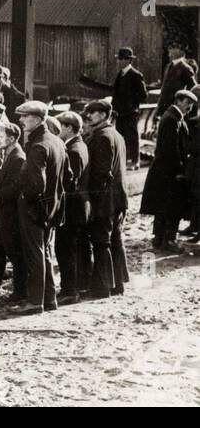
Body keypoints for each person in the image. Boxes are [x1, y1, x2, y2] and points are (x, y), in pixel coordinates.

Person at [15, 100, 67, 315]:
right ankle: (49, 297)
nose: (20, 120)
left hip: (35, 208)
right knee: (44, 252)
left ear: (36, 119)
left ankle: (36, 301)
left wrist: (26, 199)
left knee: (35, 253)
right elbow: (67, 175)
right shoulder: (56, 141)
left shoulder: (38, 145)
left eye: (24, 116)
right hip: (51, 206)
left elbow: (36, 184)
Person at [82, 100, 130, 297]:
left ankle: (102, 287)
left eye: (92, 113)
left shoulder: (101, 136)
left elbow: (102, 172)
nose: (88, 117)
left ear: (103, 115)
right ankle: (117, 284)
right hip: (118, 197)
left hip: (105, 199)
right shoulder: (116, 134)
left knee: (101, 241)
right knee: (115, 239)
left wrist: (93, 200)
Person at [141, 89, 195, 249]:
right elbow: (171, 149)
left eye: (191, 105)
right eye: (187, 103)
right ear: (178, 101)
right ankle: (169, 239)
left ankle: (159, 238)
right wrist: (180, 171)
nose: (189, 108)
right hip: (170, 172)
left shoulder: (171, 117)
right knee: (172, 206)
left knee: (162, 206)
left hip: (164, 171)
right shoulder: (173, 119)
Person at [0, 121, 28, 303]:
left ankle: (20, 292)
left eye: (0, 136)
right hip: (5, 212)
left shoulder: (17, 157)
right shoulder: (10, 154)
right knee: (5, 250)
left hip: (11, 213)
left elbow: (16, 185)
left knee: (15, 254)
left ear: (11, 139)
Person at [54, 111, 91, 303]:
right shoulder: (79, 145)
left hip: (72, 208)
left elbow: (71, 183)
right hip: (78, 207)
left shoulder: (74, 150)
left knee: (66, 249)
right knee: (73, 249)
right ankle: (76, 286)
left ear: (68, 128)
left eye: (60, 126)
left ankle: (70, 290)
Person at [110, 47, 148, 168]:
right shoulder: (120, 74)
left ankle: (134, 160)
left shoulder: (136, 75)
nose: (119, 61)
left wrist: (132, 105)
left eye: (121, 59)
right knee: (120, 136)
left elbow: (143, 95)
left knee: (132, 137)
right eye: (119, 59)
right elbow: (115, 93)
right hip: (120, 112)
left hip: (130, 113)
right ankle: (123, 160)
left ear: (128, 60)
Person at [156, 40, 197, 118]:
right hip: (164, 109)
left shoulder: (186, 68)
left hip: (177, 110)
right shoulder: (168, 66)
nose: (169, 50)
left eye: (172, 48)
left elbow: (193, 89)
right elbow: (164, 88)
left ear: (180, 51)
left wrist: (186, 106)